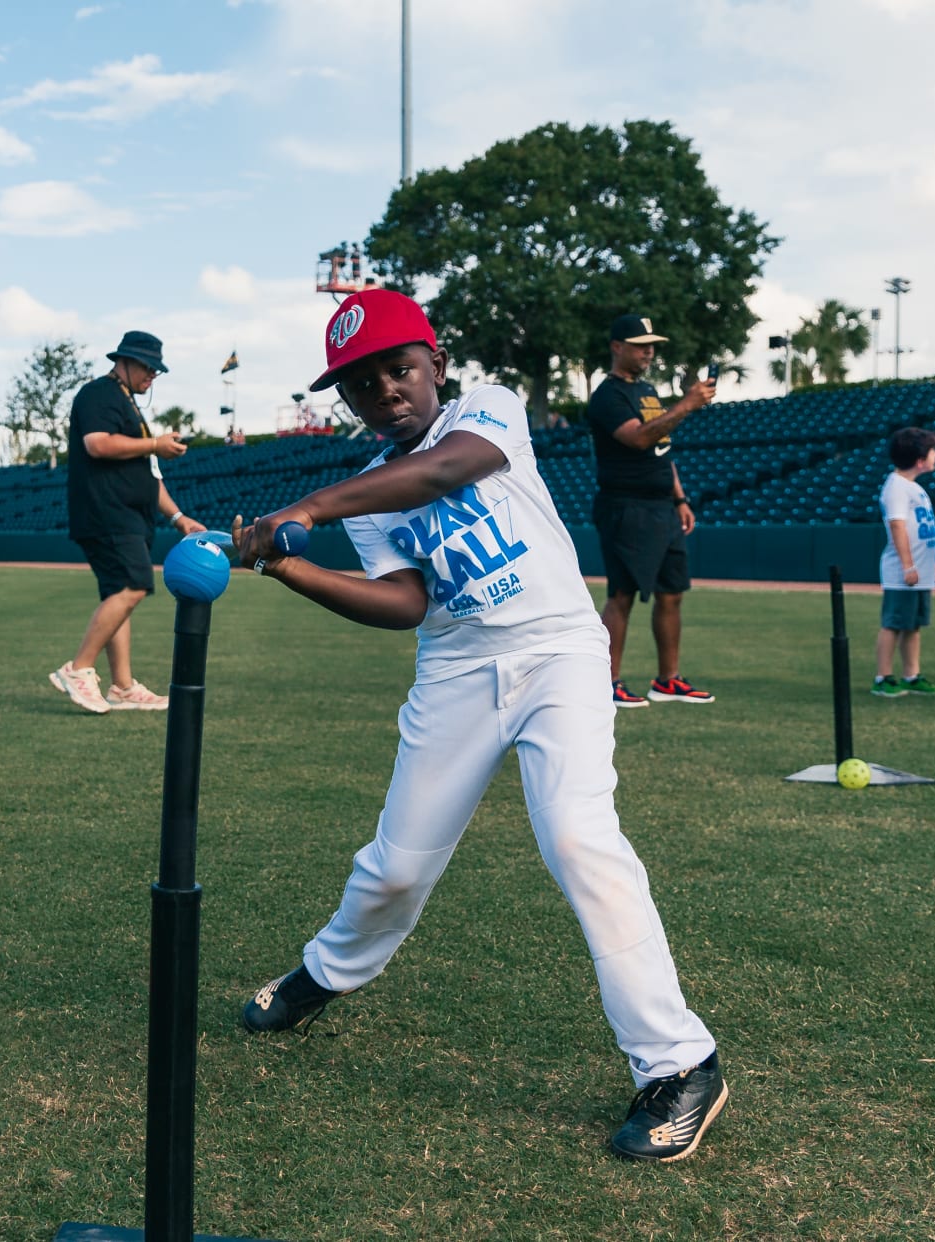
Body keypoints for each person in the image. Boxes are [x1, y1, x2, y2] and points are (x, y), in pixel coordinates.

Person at [230, 290, 725, 1164]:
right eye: (361, 383)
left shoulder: (485, 408)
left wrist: (307, 507)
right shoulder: (371, 497)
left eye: (400, 368)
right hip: (456, 671)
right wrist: (285, 567)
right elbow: (405, 603)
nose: (386, 390)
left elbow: (446, 470)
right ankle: (325, 974)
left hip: (558, 652)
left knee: (579, 839)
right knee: (394, 868)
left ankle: (681, 1064)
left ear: (437, 364)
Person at [49, 330, 206, 714]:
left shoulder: (131, 407)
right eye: (148, 367)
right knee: (134, 585)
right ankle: (79, 669)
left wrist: (179, 517)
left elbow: (149, 475)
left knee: (119, 593)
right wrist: (155, 443)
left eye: (157, 370)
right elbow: (97, 444)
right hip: (107, 513)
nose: (152, 375)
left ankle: (121, 686)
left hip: (128, 516)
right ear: (124, 361)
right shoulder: (99, 393)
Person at [586, 313, 717, 708]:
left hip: (662, 505)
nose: (649, 351)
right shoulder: (607, 395)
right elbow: (640, 438)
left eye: (652, 345)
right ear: (617, 347)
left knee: (672, 592)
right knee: (622, 594)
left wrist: (680, 498)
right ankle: (606, 682)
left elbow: (662, 447)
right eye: (641, 344)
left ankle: (668, 680)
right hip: (627, 505)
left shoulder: (646, 390)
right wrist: (689, 403)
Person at [873, 427, 935, 697]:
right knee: (893, 623)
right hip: (904, 572)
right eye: (932, 451)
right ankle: (883, 677)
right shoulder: (896, 487)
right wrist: (908, 565)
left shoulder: (913, 487)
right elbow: (898, 527)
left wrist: (929, 564)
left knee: (913, 625)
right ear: (919, 459)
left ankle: (911, 675)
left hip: (919, 569)